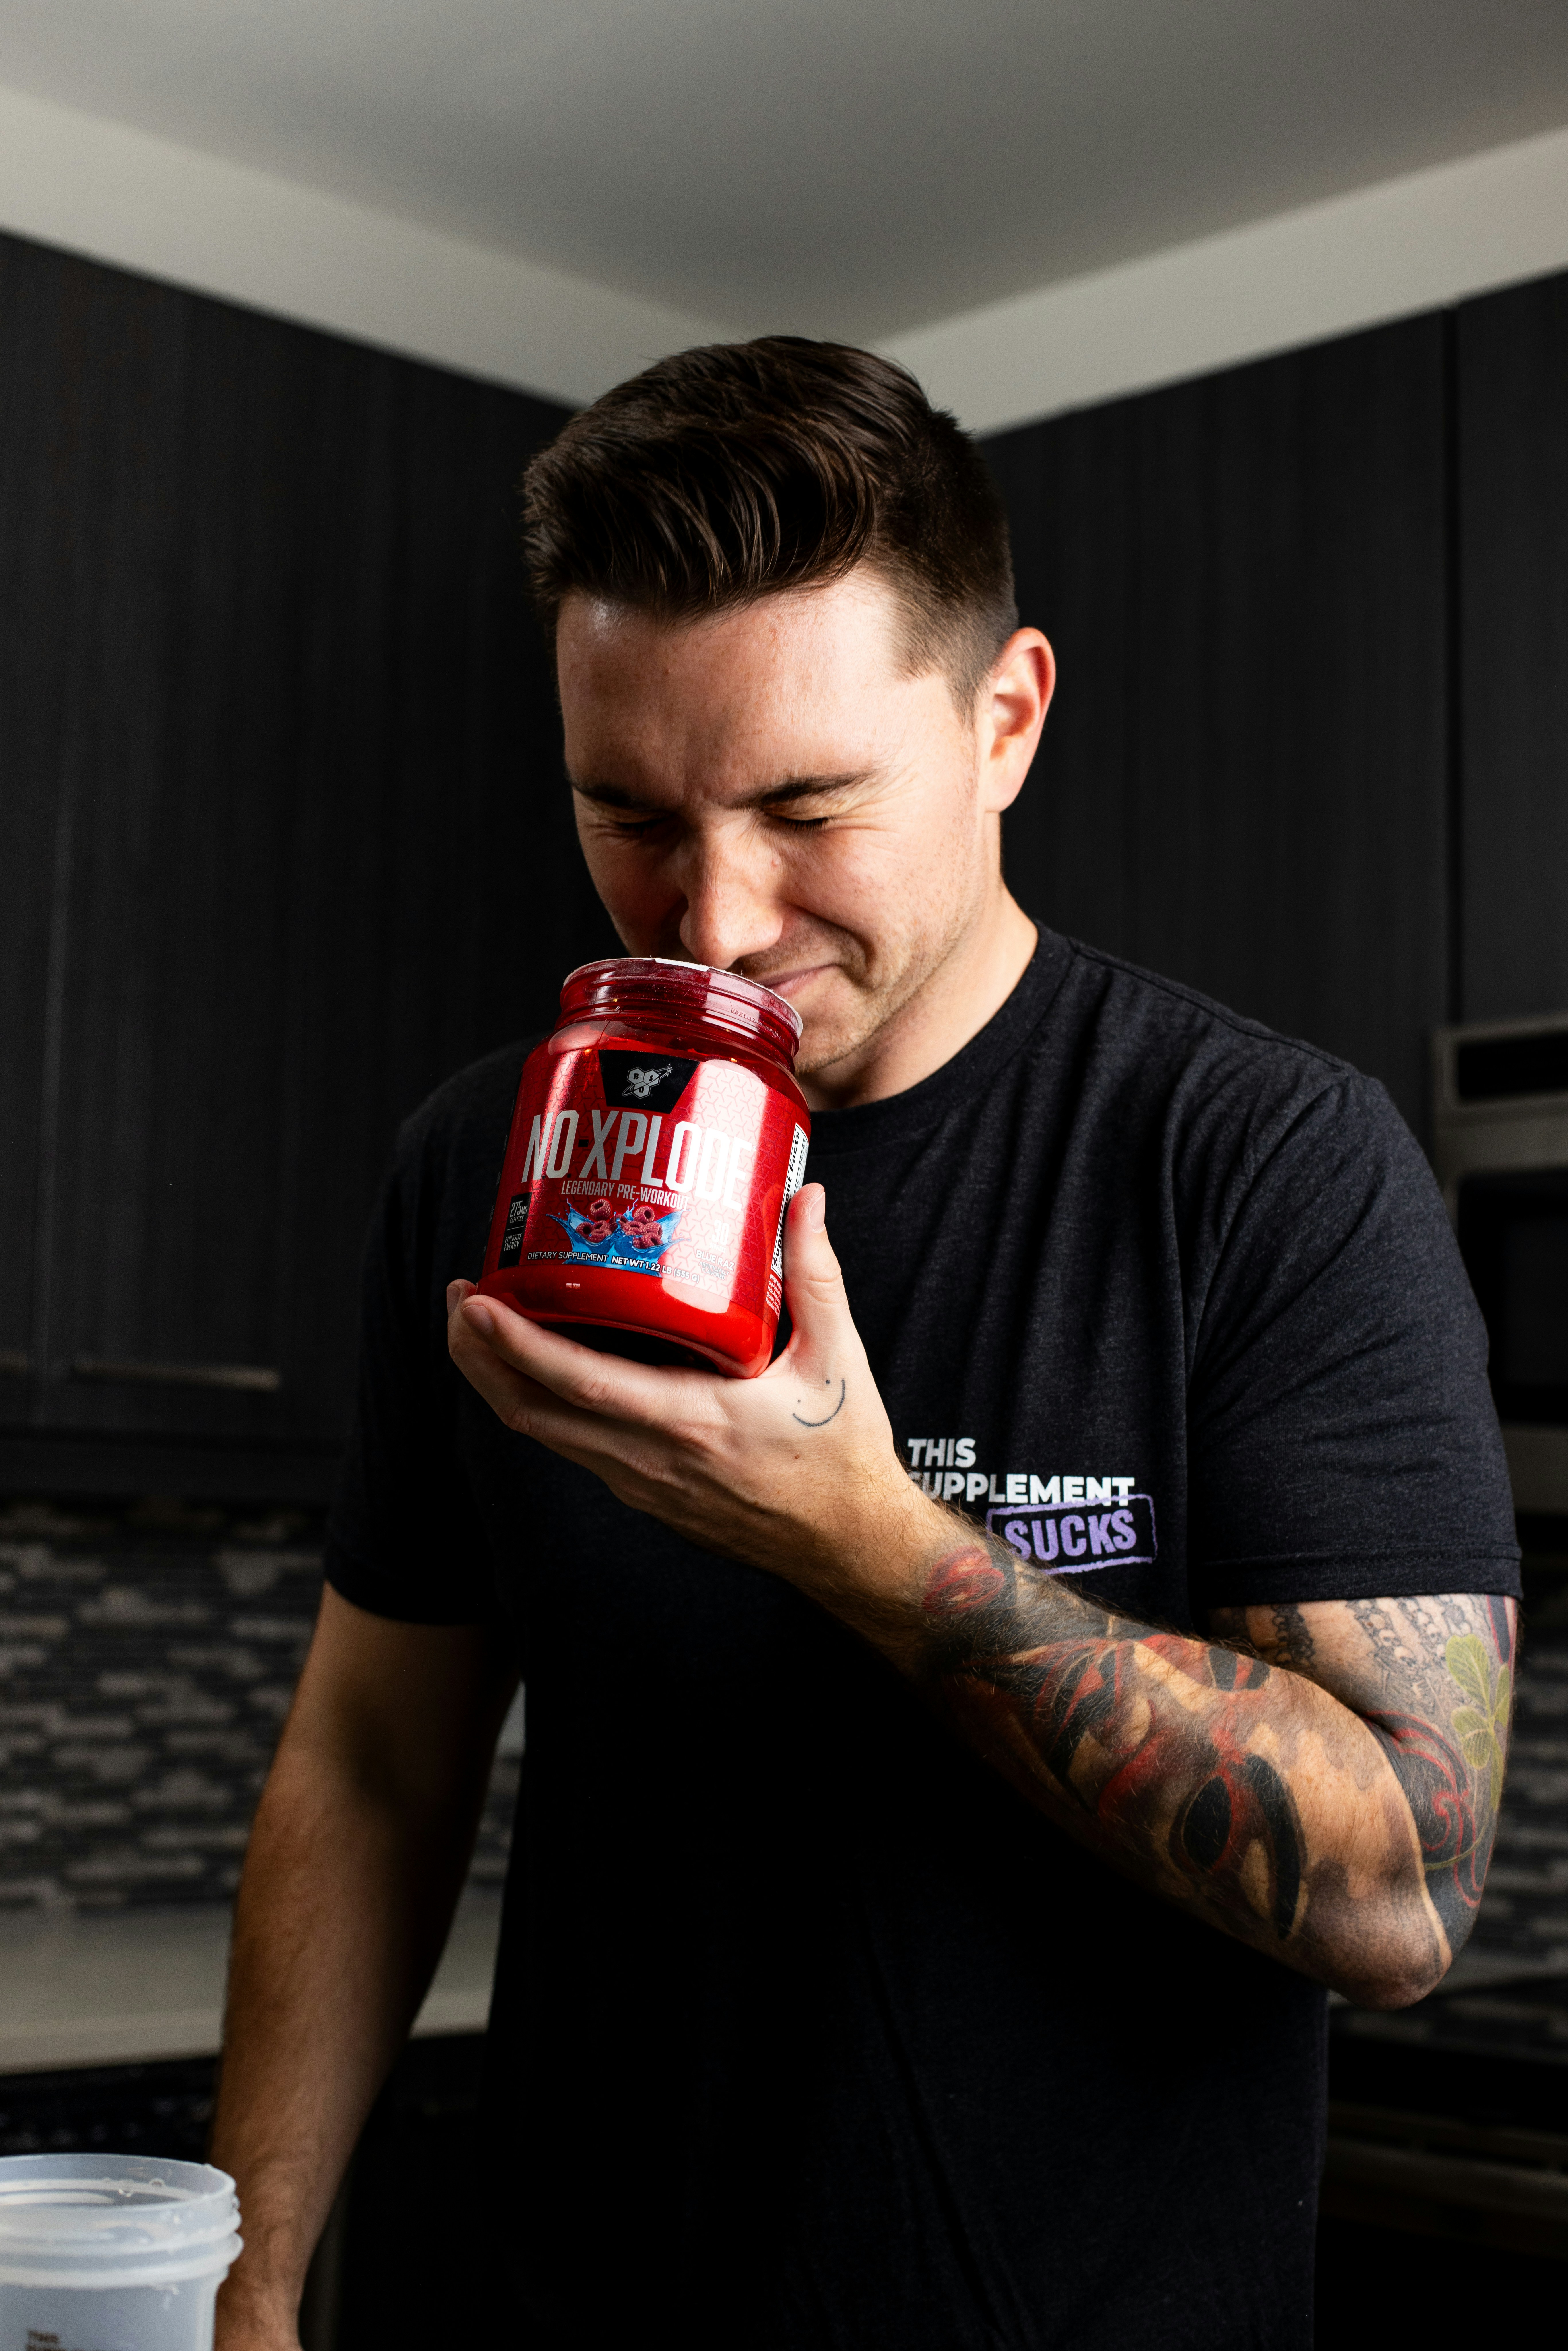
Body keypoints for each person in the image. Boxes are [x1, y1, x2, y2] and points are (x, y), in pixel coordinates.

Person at [212, 339, 1520, 2351]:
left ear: (1004, 721)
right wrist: (256, 2270)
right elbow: (376, 1762)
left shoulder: (1257, 1160)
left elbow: (1400, 1896)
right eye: (624, 808)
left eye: (806, 807)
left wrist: (860, 1537)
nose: (708, 917)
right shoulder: (498, 1156)